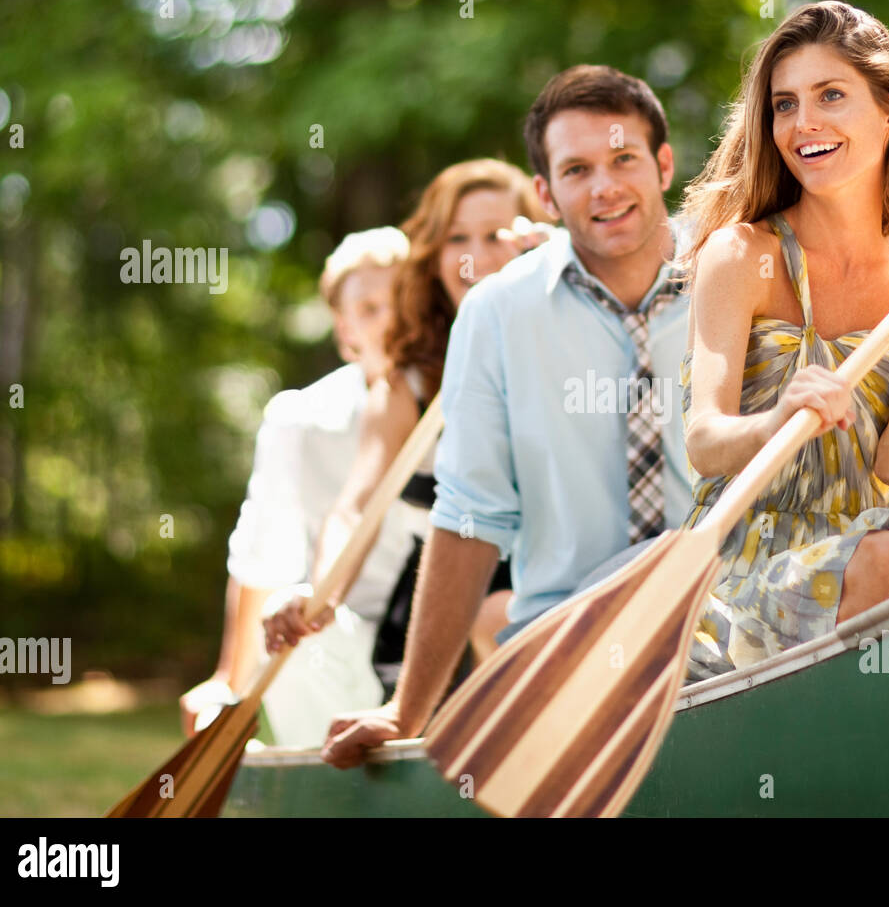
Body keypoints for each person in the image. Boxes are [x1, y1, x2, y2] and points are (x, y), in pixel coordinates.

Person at [319, 65, 692, 767]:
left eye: (623, 160)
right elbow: (467, 517)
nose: (605, 186)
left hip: (723, 625)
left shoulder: (737, 269)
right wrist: (408, 710)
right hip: (567, 642)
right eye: (577, 170)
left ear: (663, 164)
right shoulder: (496, 315)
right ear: (547, 194)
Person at [676, 0, 889, 680]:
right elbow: (705, 441)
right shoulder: (741, 254)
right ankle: (881, 761)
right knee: (884, 558)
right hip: (745, 559)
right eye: (784, 104)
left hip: (860, 538)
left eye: (831, 95)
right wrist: (779, 419)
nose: (804, 124)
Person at [261, 160, 552, 703]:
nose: (475, 256)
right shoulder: (408, 383)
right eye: (455, 239)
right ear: (435, 257)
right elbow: (357, 504)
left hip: (562, 563)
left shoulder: (574, 339)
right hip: (452, 587)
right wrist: (317, 592)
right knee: (497, 616)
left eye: (495, 235)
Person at [179, 227, 416, 745]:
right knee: (289, 618)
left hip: (438, 642)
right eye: (371, 308)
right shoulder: (302, 418)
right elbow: (261, 553)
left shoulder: (455, 397)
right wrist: (228, 681)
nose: (392, 320)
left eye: (403, 300)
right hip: (346, 641)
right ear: (343, 327)